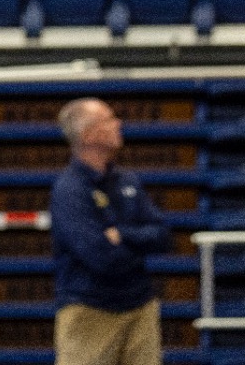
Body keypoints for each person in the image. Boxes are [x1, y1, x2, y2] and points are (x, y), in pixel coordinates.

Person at [49, 99, 168, 365]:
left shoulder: (127, 181)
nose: (119, 124)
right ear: (89, 135)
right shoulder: (69, 191)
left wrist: (123, 235)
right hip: (89, 312)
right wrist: (138, 245)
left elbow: (162, 235)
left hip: (140, 307)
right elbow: (101, 257)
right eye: (110, 119)